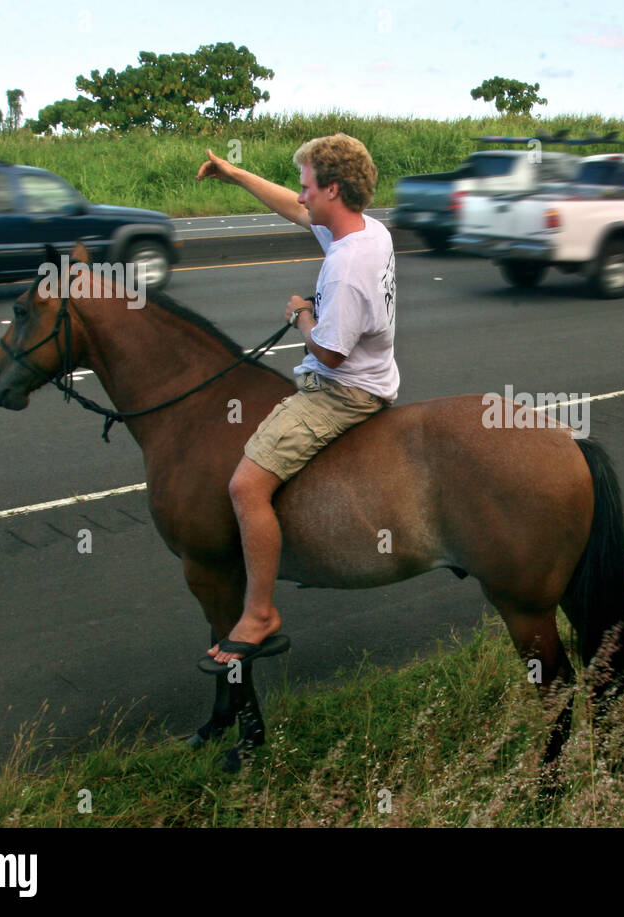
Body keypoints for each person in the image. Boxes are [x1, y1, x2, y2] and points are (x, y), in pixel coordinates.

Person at [195, 134, 399, 669]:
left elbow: (329, 354)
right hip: (370, 372)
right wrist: (235, 175)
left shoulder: (345, 264)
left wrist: (300, 316)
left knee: (245, 484)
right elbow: (292, 208)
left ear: (332, 188)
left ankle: (259, 612)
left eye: (309, 186)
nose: (302, 195)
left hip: (342, 392)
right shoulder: (367, 231)